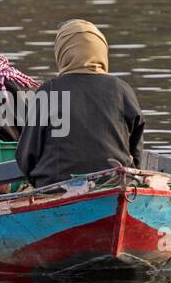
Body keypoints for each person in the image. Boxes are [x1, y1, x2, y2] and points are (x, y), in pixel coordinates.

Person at [16, 19, 145, 188]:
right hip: (116, 182)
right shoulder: (122, 89)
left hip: (55, 187)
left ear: (63, 52)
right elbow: (136, 154)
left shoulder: (48, 91)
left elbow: (26, 157)